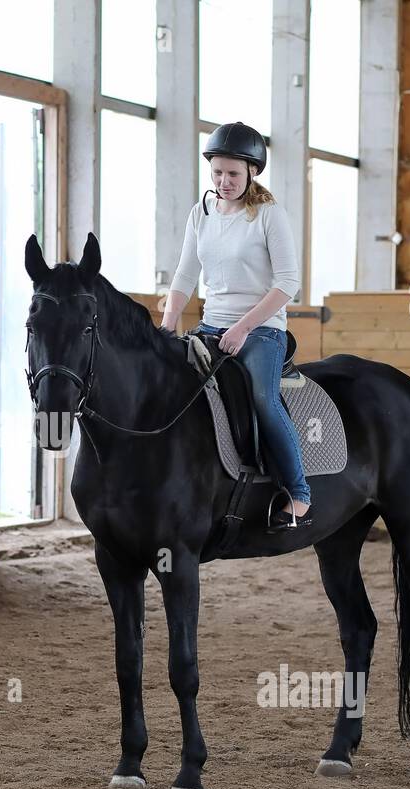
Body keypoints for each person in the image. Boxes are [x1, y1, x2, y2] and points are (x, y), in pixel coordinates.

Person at [160, 121, 311, 531]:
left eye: (233, 174)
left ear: (252, 172)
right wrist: (168, 325)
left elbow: (288, 284)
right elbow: (184, 276)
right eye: (217, 173)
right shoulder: (201, 213)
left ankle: (298, 494)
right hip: (211, 326)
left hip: (261, 330)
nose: (224, 181)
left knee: (263, 398)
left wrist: (243, 328)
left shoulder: (267, 214)